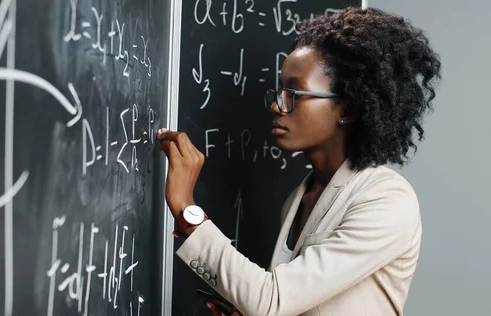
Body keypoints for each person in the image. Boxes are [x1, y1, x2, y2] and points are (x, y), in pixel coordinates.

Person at [157, 7, 441, 316]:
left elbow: (271, 301)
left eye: (294, 93)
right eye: (279, 91)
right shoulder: (296, 200)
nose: (276, 104)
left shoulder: (385, 199)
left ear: (346, 110)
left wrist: (187, 209)